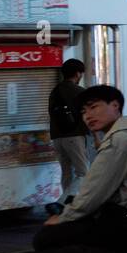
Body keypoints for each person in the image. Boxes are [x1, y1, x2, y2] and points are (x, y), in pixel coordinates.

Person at [33, 84, 127, 253]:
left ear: (115, 105)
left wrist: (64, 217)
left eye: (94, 107)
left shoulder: (118, 142)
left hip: (126, 226)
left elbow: (92, 192)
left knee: (45, 237)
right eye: (83, 112)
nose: (88, 115)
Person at [47, 58, 90, 216]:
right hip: (74, 136)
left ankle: (67, 206)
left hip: (57, 137)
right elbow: (88, 115)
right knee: (83, 172)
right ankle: (61, 202)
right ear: (78, 73)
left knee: (66, 172)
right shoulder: (79, 91)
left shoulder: (55, 91)